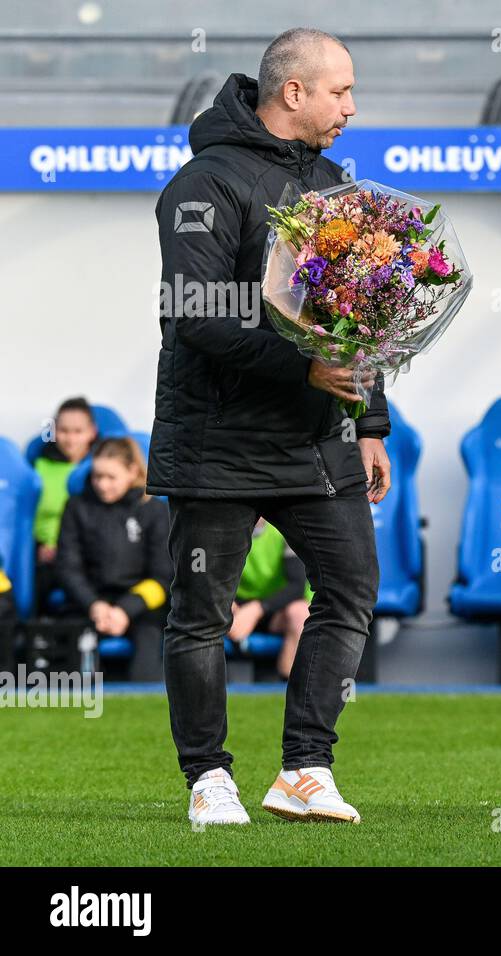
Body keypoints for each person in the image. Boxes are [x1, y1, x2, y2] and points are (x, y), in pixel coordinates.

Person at [150, 28, 391, 827]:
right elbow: (193, 315)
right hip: (219, 439)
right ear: (294, 93)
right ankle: (207, 776)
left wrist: (371, 421)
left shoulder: (334, 184)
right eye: (341, 91)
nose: (352, 107)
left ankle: (305, 769)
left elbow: (364, 316)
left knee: (352, 588)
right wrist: (303, 369)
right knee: (201, 614)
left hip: (318, 437)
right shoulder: (205, 182)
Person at [53, 438, 170, 681]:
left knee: (146, 667)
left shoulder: (154, 510)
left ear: (132, 472)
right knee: (77, 677)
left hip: (141, 607)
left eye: (111, 477)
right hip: (89, 604)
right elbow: (67, 567)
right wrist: (94, 605)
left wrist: (126, 610)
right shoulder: (77, 507)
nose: (102, 485)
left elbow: (163, 577)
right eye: (97, 476)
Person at [33, 397, 98, 612]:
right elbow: (27, 517)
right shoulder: (39, 467)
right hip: (49, 557)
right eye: (63, 430)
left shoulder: (103, 470)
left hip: (92, 554)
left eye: (78, 431)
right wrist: (39, 545)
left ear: (92, 432)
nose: (70, 439)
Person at [229, 518, 312, 681]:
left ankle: (288, 684)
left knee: (300, 613)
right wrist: (225, 604)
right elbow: (210, 578)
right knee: (207, 608)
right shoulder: (224, 531)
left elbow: (296, 586)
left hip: (277, 608)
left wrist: (257, 609)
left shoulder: (285, 530)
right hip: (237, 607)